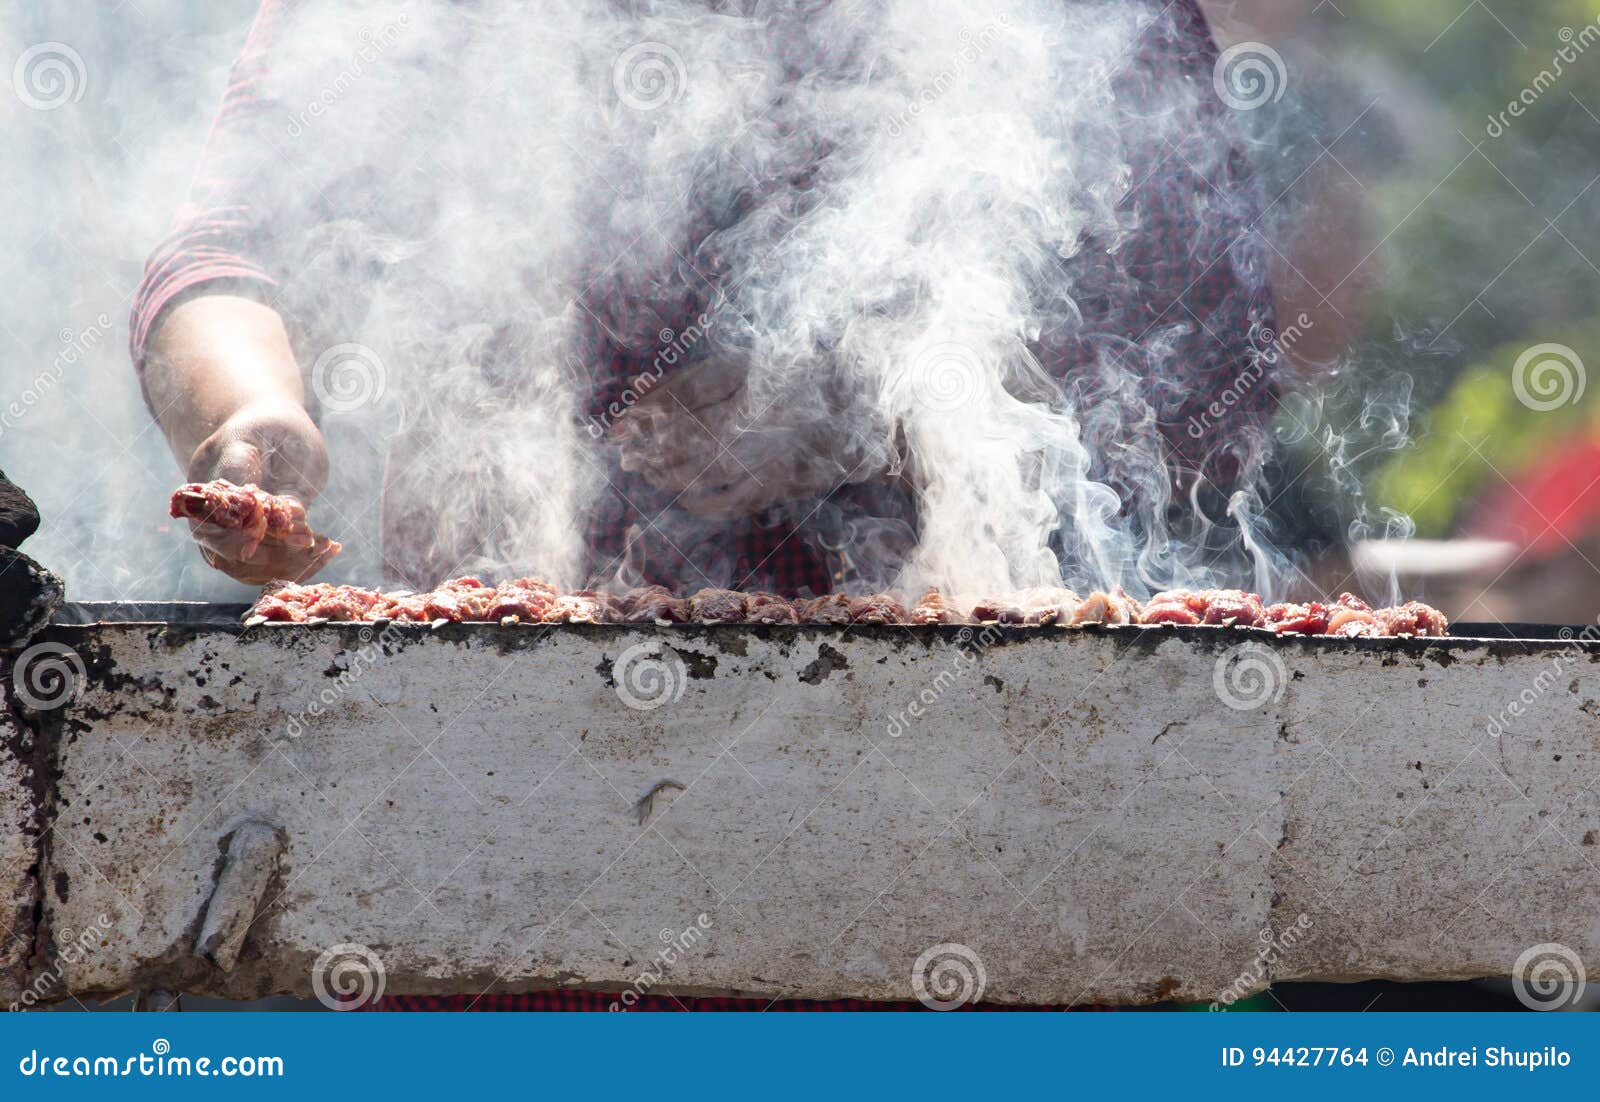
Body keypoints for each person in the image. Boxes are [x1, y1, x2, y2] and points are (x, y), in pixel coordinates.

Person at [134, 0, 1275, 1009]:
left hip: (930, 790)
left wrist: (858, 400)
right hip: (498, 770)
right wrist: (251, 416)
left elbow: (1210, 344)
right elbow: (227, 246)